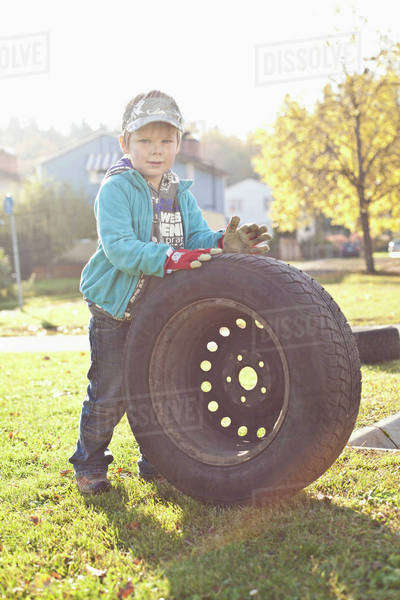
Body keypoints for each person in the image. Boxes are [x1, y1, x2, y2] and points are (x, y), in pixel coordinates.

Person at [68, 90, 271, 494]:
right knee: (111, 392)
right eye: (145, 140)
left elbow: (196, 237)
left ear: (179, 144)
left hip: (160, 310)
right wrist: (173, 258)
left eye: (165, 141)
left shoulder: (180, 192)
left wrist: (222, 243)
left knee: (158, 387)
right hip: (116, 307)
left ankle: (157, 460)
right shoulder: (116, 189)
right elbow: (121, 248)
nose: (156, 150)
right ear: (125, 143)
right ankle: (90, 463)